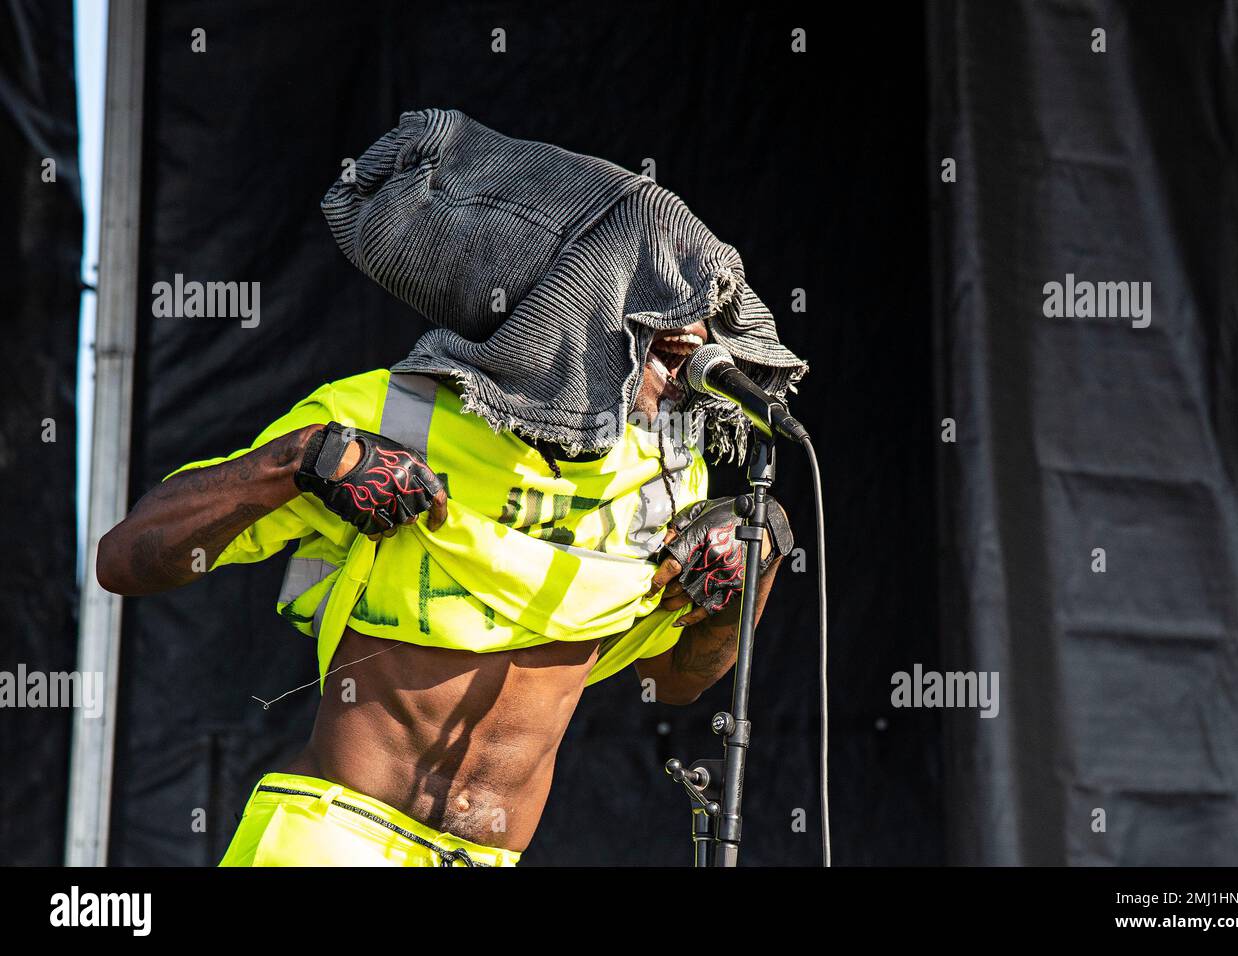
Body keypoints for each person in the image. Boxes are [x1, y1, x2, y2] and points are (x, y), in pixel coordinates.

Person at [96, 109, 806, 867]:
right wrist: (296, 461)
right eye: (659, 348)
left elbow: (676, 682)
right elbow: (126, 560)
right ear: (578, 320)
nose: (683, 371)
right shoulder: (387, 414)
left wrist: (760, 560)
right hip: (336, 838)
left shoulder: (667, 477)